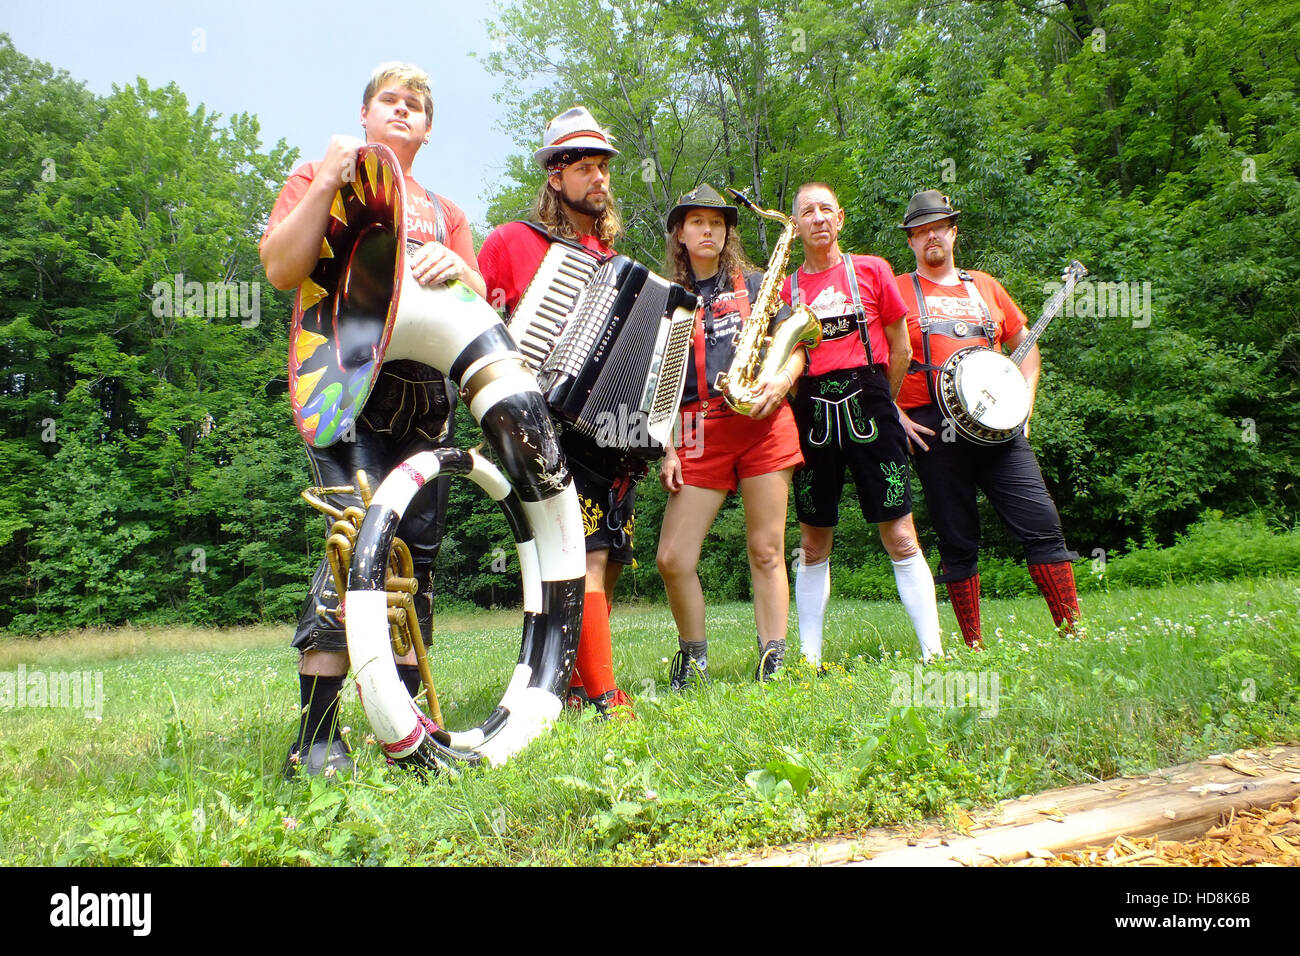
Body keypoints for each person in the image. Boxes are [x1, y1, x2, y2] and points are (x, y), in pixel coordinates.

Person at [260, 62, 486, 777]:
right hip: (347, 388)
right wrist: (328, 179)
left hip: (427, 401)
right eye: (390, 100)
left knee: (411, 567)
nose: (404, 110)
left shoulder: (449, 212)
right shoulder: (313, 173)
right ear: (365, 114)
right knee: (353, 548)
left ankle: (405, 732)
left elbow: (481, 305)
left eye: (417, 104)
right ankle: (318, 738)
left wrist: (464, 269)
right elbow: (279, 269)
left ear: (428, 126)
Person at [478, 106, 635, 717]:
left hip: (611, 433)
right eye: (586, 167)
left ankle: (572, 680)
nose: (599, 178)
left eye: (604, 167)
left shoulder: (612, 259)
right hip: (547, 423)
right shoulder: (512, 242)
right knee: (583, 552)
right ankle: (603, 694)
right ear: (555, 175)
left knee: (604, 555)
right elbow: (483, 331)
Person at [893, 190, 1080, 647]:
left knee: (1042, 522)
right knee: (957, 537)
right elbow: (877, 359)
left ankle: (1073, 632)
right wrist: (894, 412)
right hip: (933, 426)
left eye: (938, 226)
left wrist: (1026, 405)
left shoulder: (985, 285)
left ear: (953, 232)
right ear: (912, 242)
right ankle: (974, 645)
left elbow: (1027, 347)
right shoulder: (897, 290)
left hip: (1000, 425)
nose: (930, 235)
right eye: (920, 231)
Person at [780, 182, 943, 666]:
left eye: (826, 209)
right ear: (796, 225)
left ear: (841, 218)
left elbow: (902, 349)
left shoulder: (873, 269)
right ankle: (809, 658)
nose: (818, 218)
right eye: (807, 211)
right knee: (813, 539)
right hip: (810, 412)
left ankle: (933, 652)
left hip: (871, 404)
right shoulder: (786, 289)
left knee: (900, 533)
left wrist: (884, 402)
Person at [654, 185, 806, 686]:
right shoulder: (670, 302)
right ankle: (694, 659)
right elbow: (662, 382)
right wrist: (669, 447)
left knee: (766, 549)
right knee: (673, 558)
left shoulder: (760, 284)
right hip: (698, 425)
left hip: (765, 420)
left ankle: (774, 660)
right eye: (696, 222)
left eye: (717, 223)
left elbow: (796, 344)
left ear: (726, 234)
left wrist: (781, 380)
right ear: (680, 232)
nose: (708, 230)